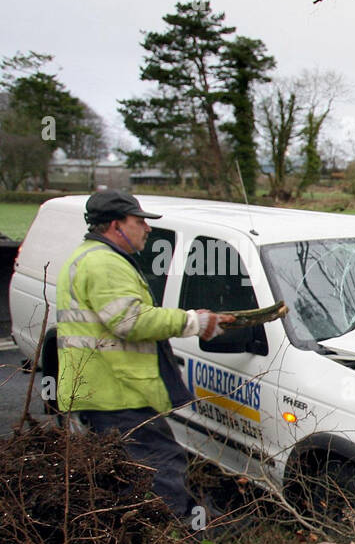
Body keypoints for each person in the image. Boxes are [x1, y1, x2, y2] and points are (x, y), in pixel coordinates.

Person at [55, 190, 234, 519]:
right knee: (160, 468)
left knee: (122, 476)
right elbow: (130, 320)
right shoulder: (103, 263)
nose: (147, 229)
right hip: (117, 395)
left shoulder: (93, 256)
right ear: (115, 225)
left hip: (105, 392)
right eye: (139, 222)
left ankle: (127, 542)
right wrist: (193, 321)